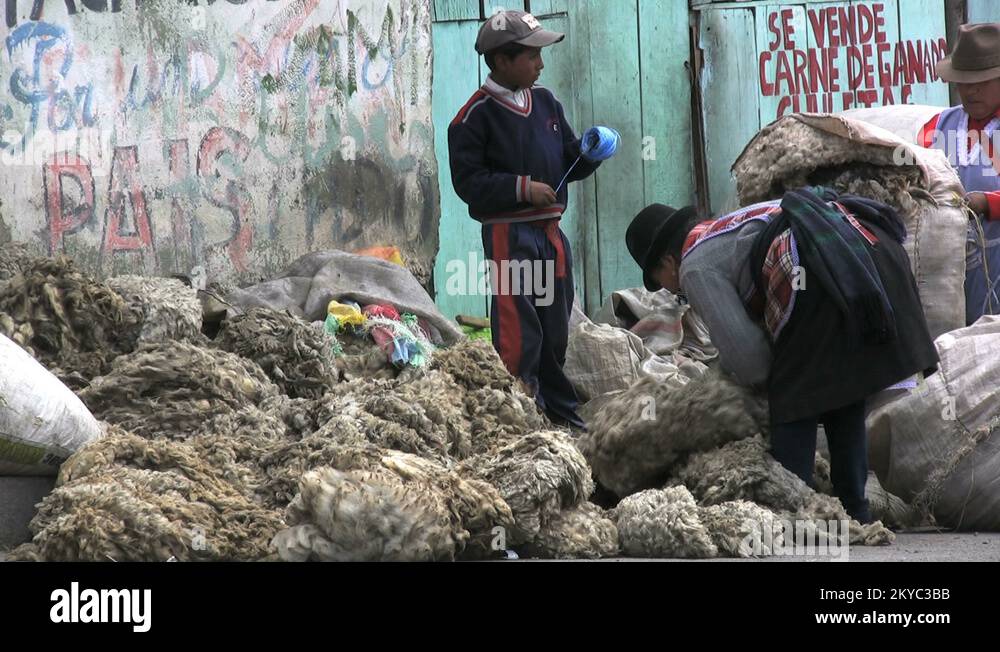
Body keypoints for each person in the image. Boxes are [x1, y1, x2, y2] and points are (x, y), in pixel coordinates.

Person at [626, 188, 939, 523]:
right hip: (872, 246)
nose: (670, 290)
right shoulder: (733, 228)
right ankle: (854, 510)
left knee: (793, 395)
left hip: (820, 266)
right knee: (842, 389)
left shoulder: (694, 266)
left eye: (660, 281)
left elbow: (751, 361)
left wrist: (742, 396)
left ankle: (792, 510)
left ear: (668, 262)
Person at [448, 10, 601, 428]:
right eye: (532, 56)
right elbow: (470, 183)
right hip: (509, 235)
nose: (541, 64)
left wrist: (589, 154)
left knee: (555, 324)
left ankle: (559, 413)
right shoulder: (472, 118)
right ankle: (519, 413)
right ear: (501, 60)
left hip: (550, 234)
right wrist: (522, 188)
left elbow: (568, 157)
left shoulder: (547, 103)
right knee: (520, 329)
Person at [920, 22, 1000, 324]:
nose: (970, 90)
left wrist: (987, 203)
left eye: (981, 81)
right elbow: (917, 174)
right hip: (950, 272)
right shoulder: (940, 126)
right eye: (963, 81)